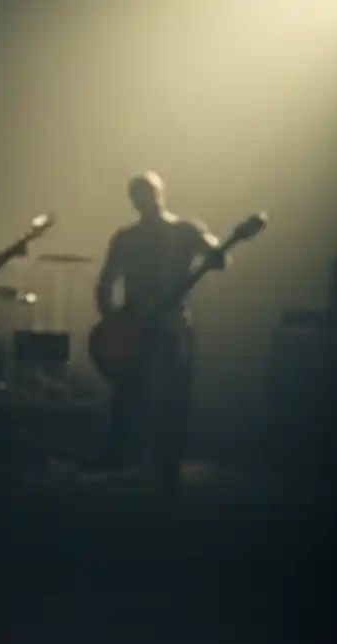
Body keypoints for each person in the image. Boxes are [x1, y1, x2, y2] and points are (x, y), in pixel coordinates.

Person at [93, 171, 227, 497]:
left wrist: (216, 250)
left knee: (173, 394)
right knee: (129, 392)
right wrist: (113, 323)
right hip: (136, 327)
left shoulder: (184, 231)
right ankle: (123, 457)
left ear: (161, 193)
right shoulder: (125, 238)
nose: (146, 200)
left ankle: (167, 463)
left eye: (150, 192)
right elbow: (106, 283)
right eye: (139, 194)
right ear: (133, 200)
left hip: (172, 326)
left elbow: (219, 257)